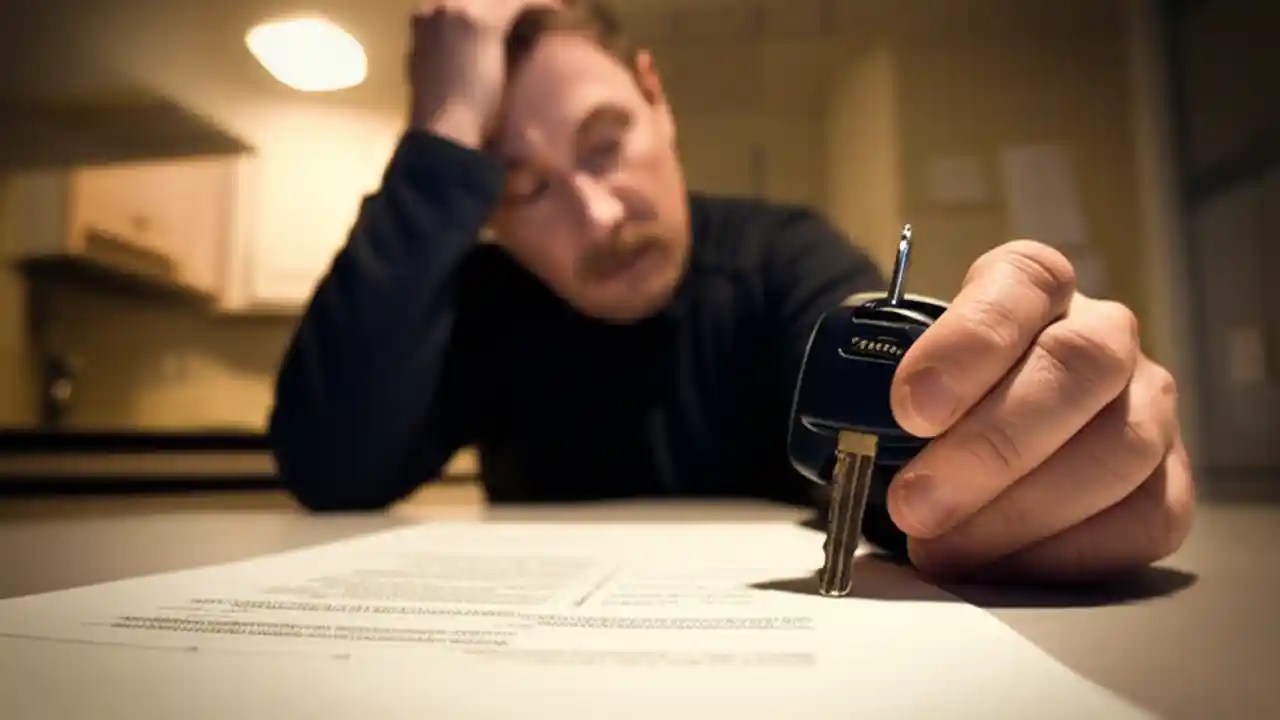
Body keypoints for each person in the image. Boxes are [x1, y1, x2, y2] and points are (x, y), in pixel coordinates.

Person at [268, 0, 1194, 584]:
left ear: (655, 98)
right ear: (486, 214)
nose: (596, 216)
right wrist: (438, 139)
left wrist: (1026, 442)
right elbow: (329, 468)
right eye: (524, 188)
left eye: (603, 144)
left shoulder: (786, 259)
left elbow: (905, 465)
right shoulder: (480, 302)